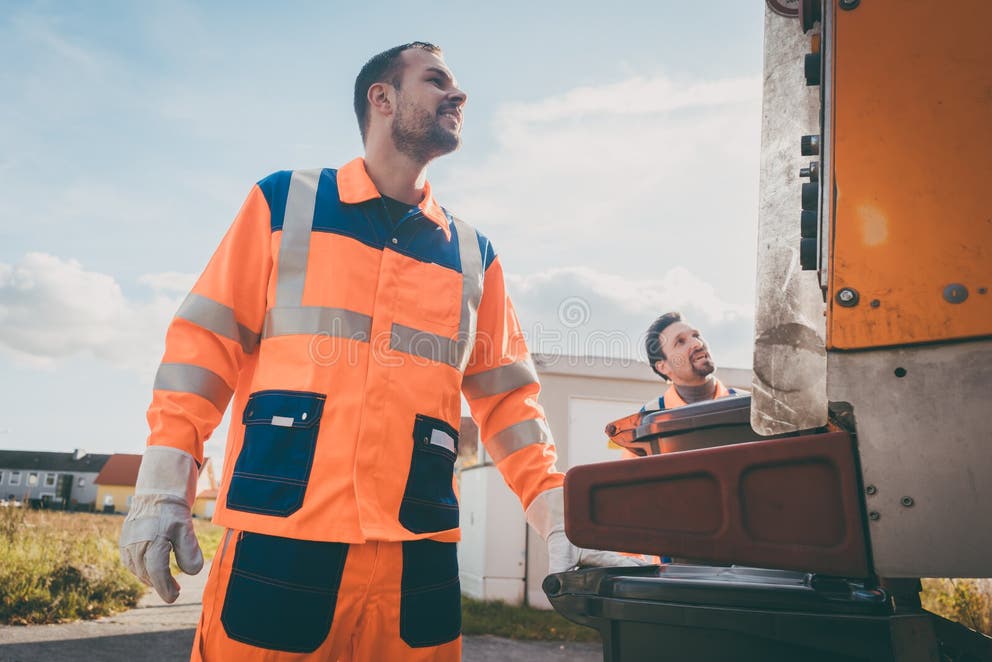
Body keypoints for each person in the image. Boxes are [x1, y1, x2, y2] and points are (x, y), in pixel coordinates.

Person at [119, 42, 641, 662]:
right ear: (382, 97)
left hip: (415, 560)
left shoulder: (473, 255)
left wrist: (557, 512)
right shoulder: (286, 205)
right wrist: (161, 488)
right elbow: (202, 351)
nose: (460, 93)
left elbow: (509, 403)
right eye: (437, 79)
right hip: (283, 543)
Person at [641, 311, 740, 413]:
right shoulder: (648, 417)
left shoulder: (750, 405)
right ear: (663, 367)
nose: (698, 343)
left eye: (696, 335)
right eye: (680, 341)